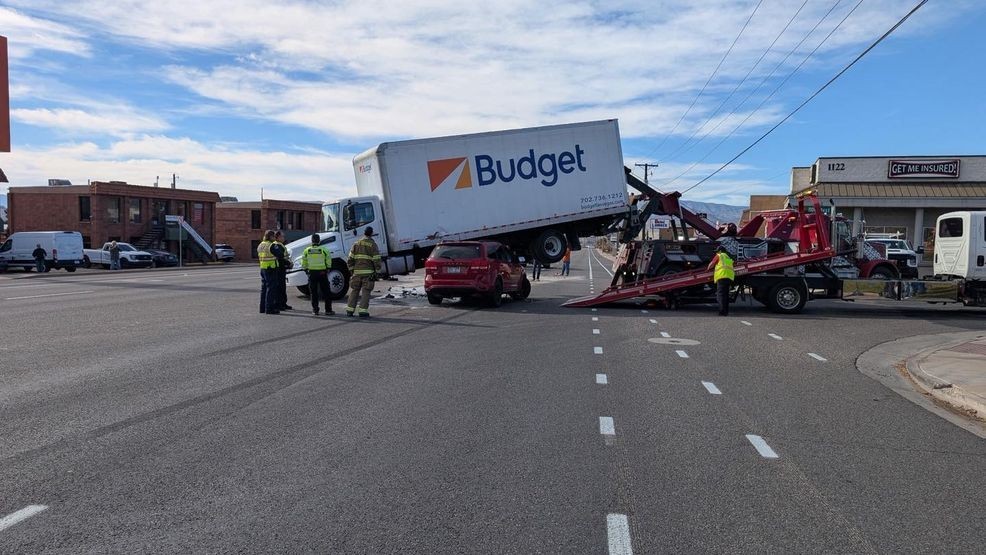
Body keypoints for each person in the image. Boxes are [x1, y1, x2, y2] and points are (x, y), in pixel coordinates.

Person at [346, 226, 381, 318]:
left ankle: (349, 310)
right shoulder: (372, 245)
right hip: (368, 273)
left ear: (364, 233)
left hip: (356, 273)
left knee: (355, 290)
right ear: (371, 233)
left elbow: (350, 259)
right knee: (366, 291)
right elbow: (377, 259)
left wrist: (351, 270)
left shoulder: (356, 243)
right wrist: (377, 271)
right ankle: (362, 311)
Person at [301, 233, 334, 315]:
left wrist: (306, 270)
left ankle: (315, 310)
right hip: (322, 272)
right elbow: (328, 260)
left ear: (312, 241)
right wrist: (328, 269)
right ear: (319, 241)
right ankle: (328, 310)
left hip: (312, 273)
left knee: (313, 292)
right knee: (326, 291)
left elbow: (303, 261)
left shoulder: (307, 250)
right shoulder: (324, 250)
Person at [706, 244, 735, 316]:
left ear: (720, 251)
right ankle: (726, 312)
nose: (716, 252)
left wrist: (707, 269)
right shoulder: (728, 257)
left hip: (721, 277)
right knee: (726, 295)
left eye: (717, 251)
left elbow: (711, 264)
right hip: (729, 277)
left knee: (721, 295)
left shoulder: (719, 255)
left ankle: (722, 312)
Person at [257, 230, 280, 314]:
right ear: (270, 237)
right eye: (274, 236)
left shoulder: (260, 244)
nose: (275, 238)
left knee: (264, 289)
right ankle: (269, 308)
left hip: (263, 268)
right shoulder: (271, 245)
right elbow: (280, 254)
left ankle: (262, 308)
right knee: (271, 289)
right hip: (271, 268)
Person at [272, 230, 292, 311]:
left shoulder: (280, 245)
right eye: (282, 236)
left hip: (282, 268)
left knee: (282, 287)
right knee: (280, 287)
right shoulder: (277, 245)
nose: (284, 238)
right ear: (278, 237)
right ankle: (280, 304)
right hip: (279, 269)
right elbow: (280, 258)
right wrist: (288, 263)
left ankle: (283, 303)